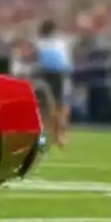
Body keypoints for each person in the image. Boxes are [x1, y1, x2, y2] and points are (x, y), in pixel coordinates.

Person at [34, 20, 74, 148]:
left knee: (44, 109)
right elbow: (66, 63)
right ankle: (58, 136)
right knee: (59, 108)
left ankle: (45, 138)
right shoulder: (61, 43)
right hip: (59, 76)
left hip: (45, 76)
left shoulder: (40, 44)